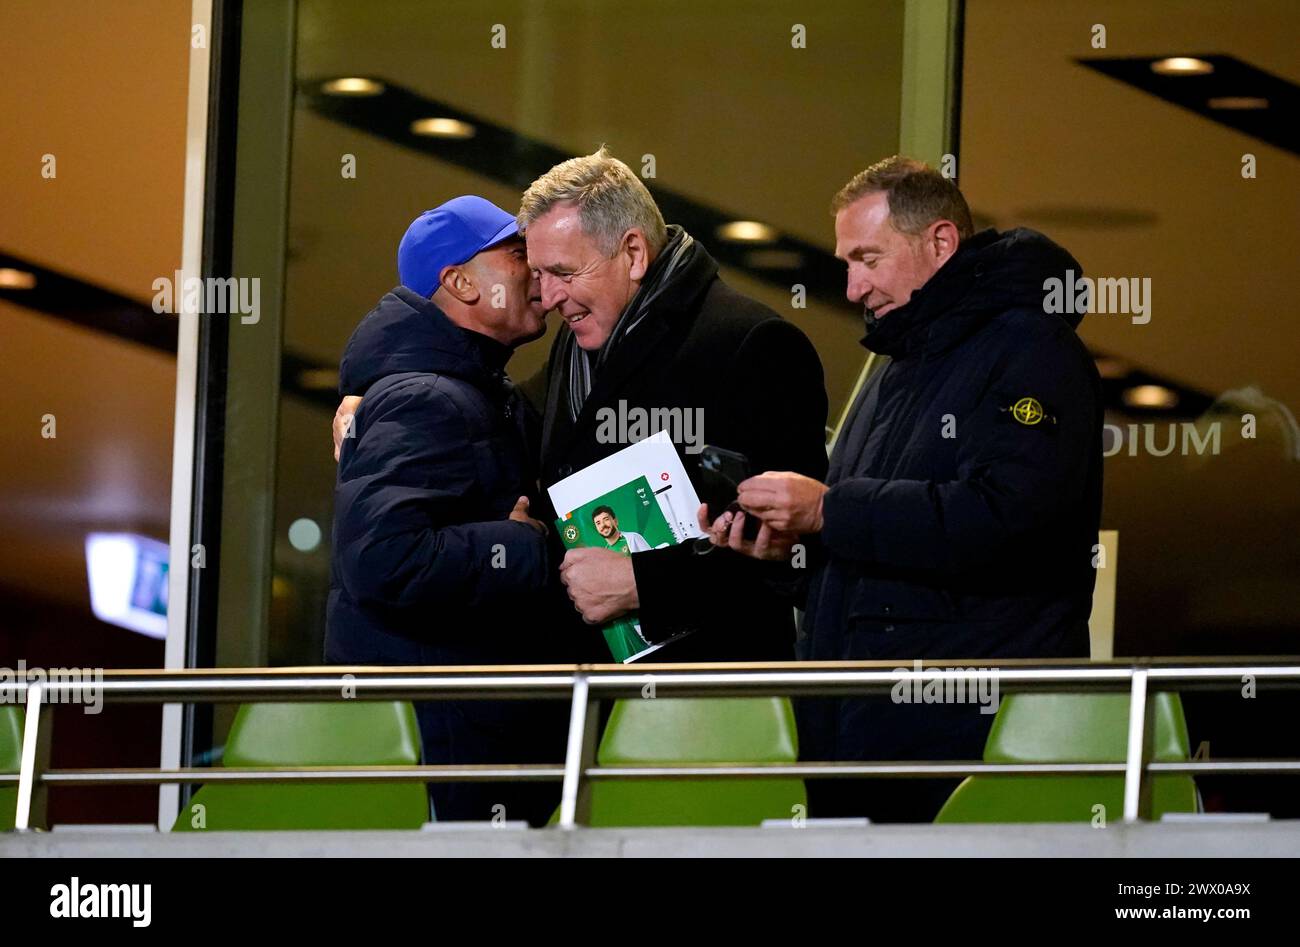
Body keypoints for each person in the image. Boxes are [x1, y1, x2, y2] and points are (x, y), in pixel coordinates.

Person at [703, 156, 1103, 821]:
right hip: (859, 748)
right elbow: (880, 558)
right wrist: (790, 554)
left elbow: (1011, 519)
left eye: (868, 258)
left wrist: (829, 508)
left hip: (961, 754)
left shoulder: (1033, 348)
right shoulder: (895, 367)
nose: (853, 286)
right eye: (846, 262)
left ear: (940, 243)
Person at [520, 148, 828, 661]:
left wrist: (644, 583)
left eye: (563, 272)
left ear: (635, 253)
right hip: (588, 699)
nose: (548, 297)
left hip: (709, 705)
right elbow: (508, 421)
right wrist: (374, 393)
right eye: (539, 275)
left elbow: (793, 554)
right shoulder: (576, 346)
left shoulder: (754, 345)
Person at [326, 195, 576, 826]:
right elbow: (382, 559)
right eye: (518, 255)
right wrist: (522, 547)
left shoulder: (473, 390)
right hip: (438, 758)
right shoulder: (425, 398)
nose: (538, 268)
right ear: (461, 283)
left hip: (464, 746)